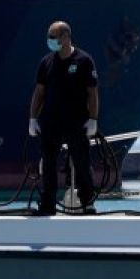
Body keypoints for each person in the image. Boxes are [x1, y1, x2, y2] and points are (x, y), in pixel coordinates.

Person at [28, 21, 99, 216]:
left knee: (81, 161)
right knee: (49, 162)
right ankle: (47, 204)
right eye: (49, 36)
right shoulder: (46, 62)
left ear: (66, 37)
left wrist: (93, 119)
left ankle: (88, 203)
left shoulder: (84, 60)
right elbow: (39, 92)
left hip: (76, 121)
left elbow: (92, 92)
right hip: (51, 121)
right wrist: (33, 118)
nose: (50, 41)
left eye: (53, 36)